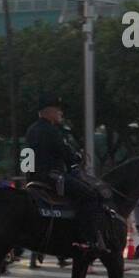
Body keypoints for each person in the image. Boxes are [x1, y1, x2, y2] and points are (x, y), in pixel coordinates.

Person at [23, 95, 107, 254]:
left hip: (33, 179)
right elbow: (65, 153)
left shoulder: (31, 130)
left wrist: (29, 178)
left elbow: (25, 156)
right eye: (58, 110)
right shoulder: (51, 130)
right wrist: (78, 158)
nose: (61, 113)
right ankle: (89, 239)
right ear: (50, 112)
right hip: (52, 177)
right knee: (89, 195)